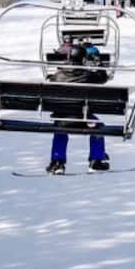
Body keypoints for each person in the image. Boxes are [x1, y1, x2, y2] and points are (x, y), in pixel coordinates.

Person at [46, 42, 110, 174]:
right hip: (85, 118)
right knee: (98, 126)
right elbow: (103, 78)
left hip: (63, 119)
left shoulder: (58, 75)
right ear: (83, 59)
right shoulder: (88, 75)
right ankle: (96, 160)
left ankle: (57, 162)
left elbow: (51, 82)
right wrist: (99, 65)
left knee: (59, 128)